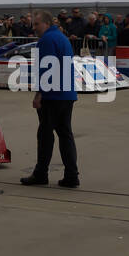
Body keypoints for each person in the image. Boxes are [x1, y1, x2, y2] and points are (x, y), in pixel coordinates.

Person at [20, 11, 79, 188]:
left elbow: (46, 69)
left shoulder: (46, 40)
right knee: (65, 134)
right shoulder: (62, 38)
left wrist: (39, 94)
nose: (34, 28)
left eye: (36, 25)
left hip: (53, 95)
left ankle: (40, 173)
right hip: (66, 94)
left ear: (46, 23)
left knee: (45, 135)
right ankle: (71, 175)